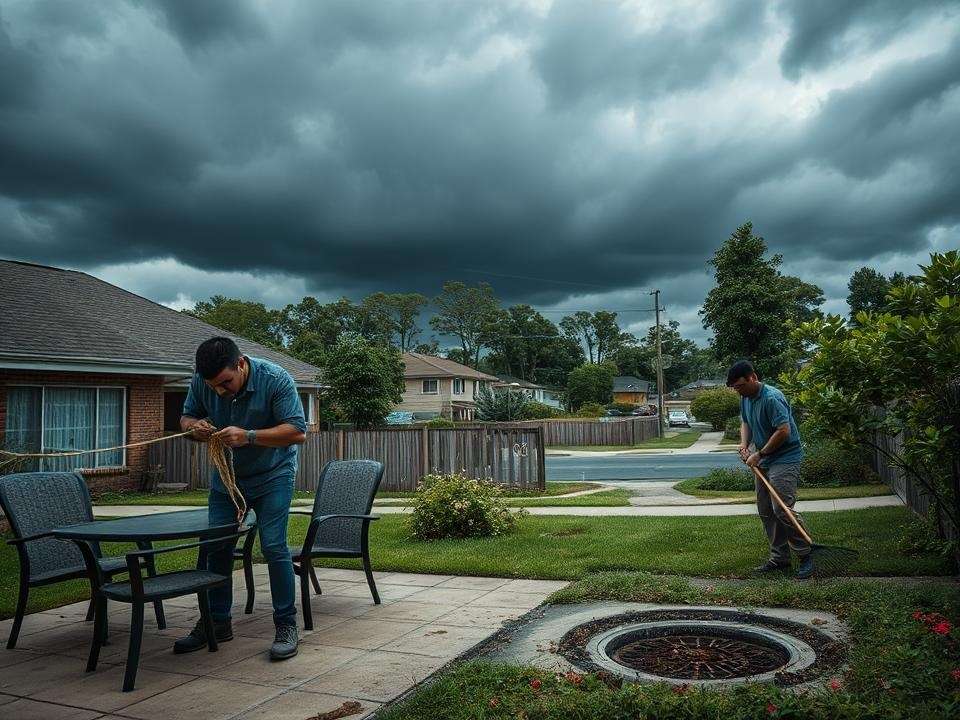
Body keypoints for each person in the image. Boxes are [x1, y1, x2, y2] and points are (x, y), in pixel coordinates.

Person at [175, 337, 307, 659]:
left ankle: (286, 624)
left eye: (226, 383)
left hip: (274, 474)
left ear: (241, 364)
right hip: (227, 478)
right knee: (216, 546)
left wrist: (248, 436)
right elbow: (186, 418)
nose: (220, 391)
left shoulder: (276, 379)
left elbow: (297, 431)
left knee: (273, 546)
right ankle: (217, 622)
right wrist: (195, 427)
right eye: (213, 386)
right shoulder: (202, 381)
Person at [726, 360, 814, 579]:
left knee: (782, 509)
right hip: (763, 459)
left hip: (784, 458)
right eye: (735, 388)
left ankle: (807, 555)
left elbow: (783, 431)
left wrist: (760, 454)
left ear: (753, 377)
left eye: (740, 386)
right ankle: (780, 558)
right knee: (766, 509)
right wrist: (744, 445)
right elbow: (746, 422)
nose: (738, 391)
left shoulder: (772, 398)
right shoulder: (746, 398)